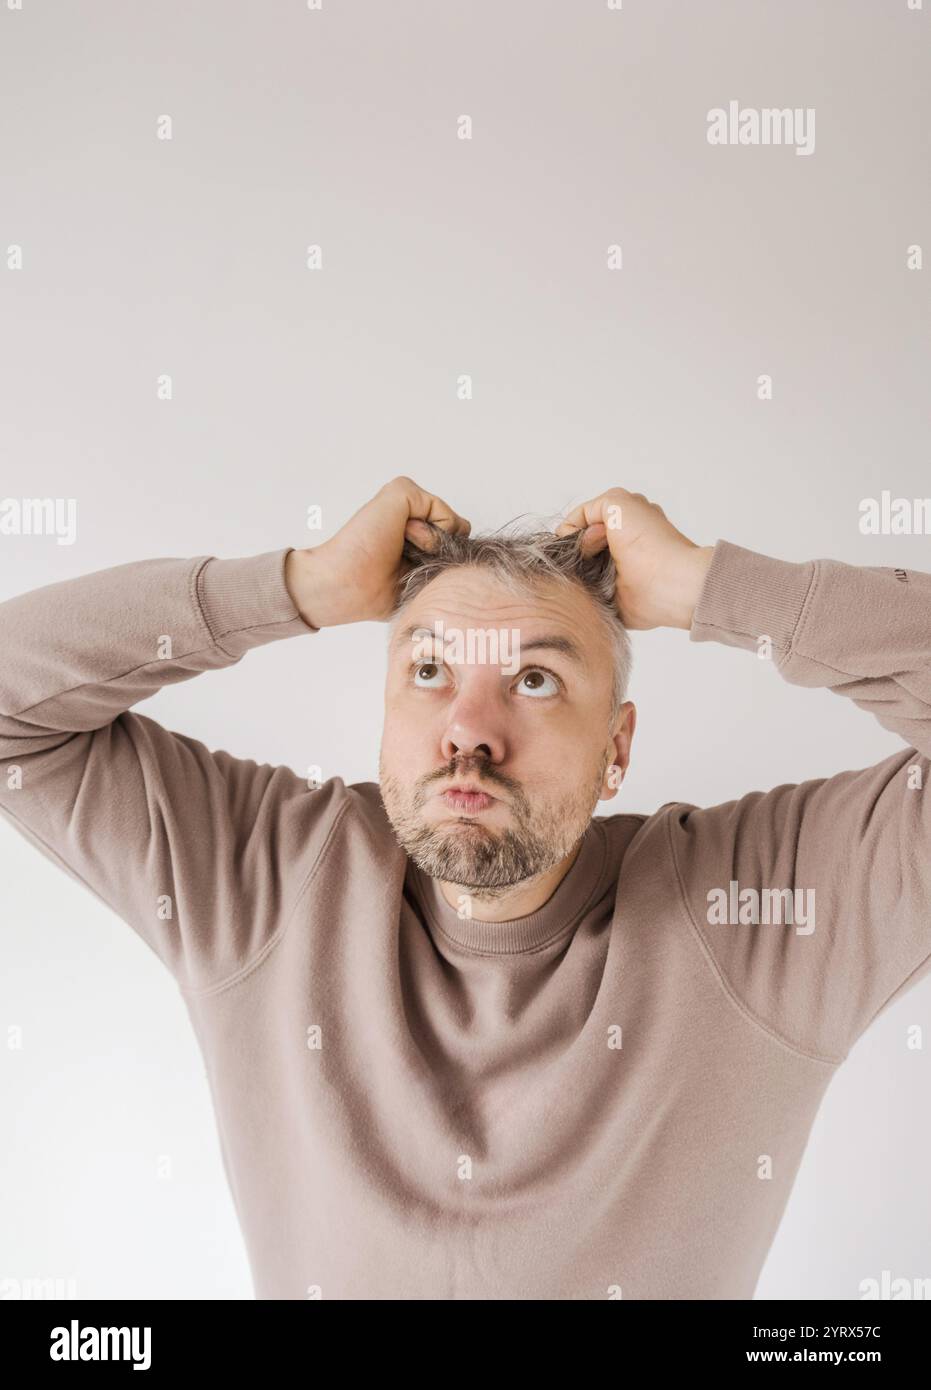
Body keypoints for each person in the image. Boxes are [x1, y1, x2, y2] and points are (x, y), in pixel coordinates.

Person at [1, 475, 928, 1300]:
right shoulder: (267, 878)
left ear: (617, 749)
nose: (467, 731)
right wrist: (299, 586)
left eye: (533, 677)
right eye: (430, 670)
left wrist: (715, 590)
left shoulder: (759, 912)